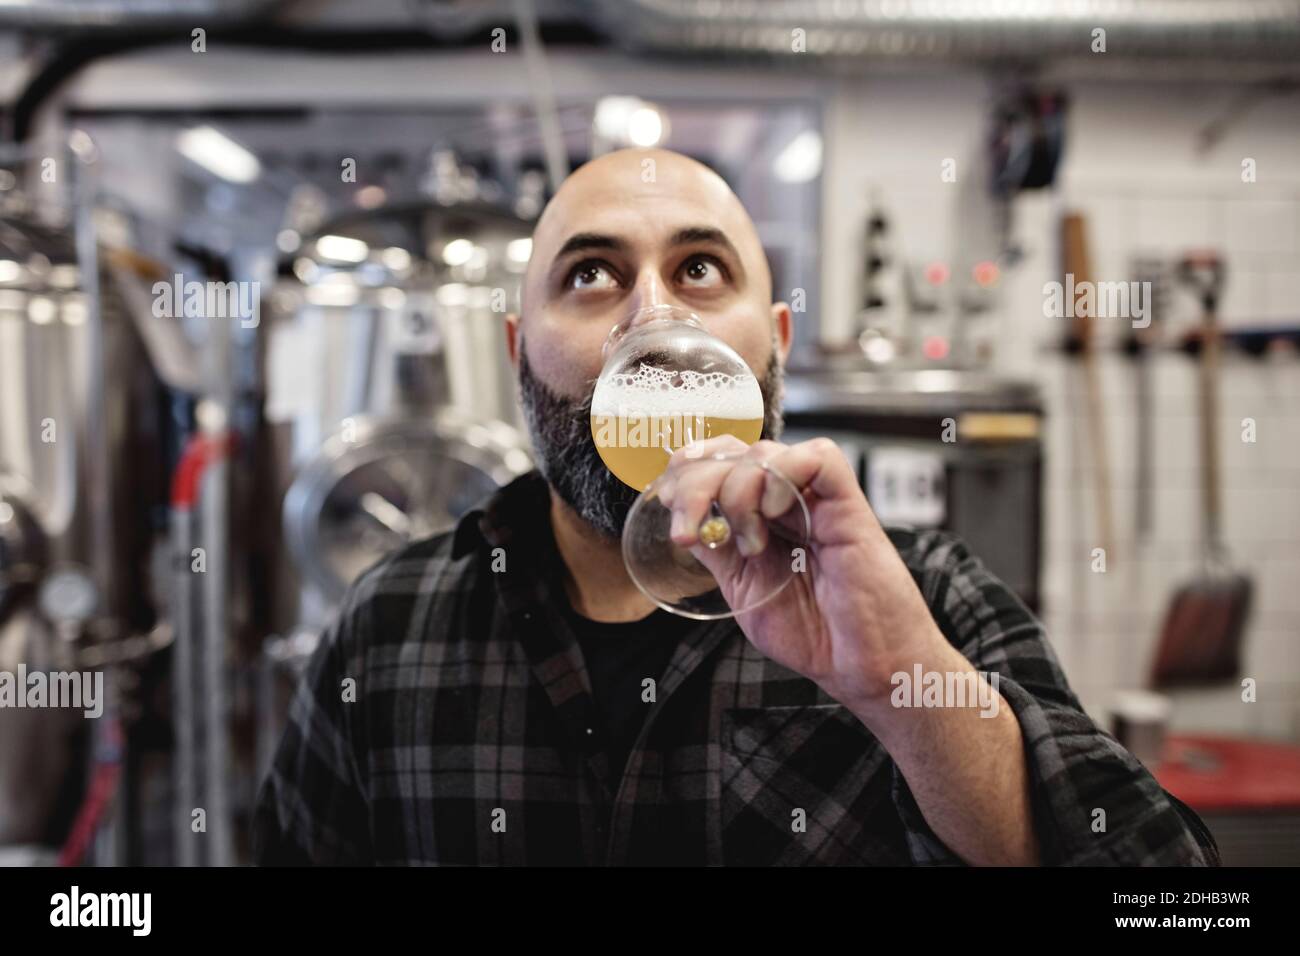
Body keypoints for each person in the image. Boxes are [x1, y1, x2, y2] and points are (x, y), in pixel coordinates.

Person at [253, 147, 1217, 866]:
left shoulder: (931, 599)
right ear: (519, 349)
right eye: (591, 275)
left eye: (699, 271)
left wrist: (903, 689)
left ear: (775, 342)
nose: (653, 317)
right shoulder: (390, 624)